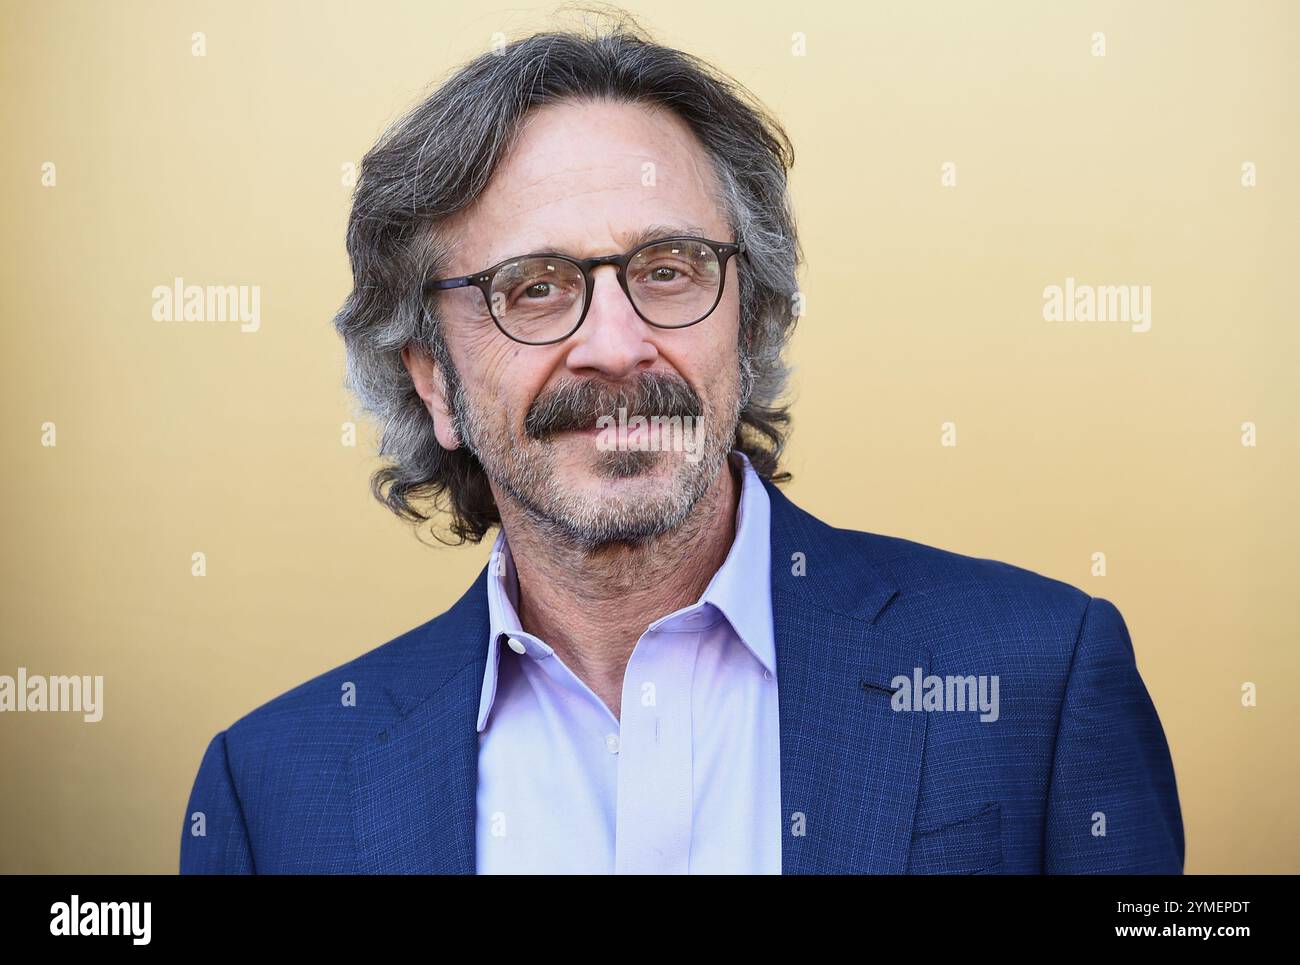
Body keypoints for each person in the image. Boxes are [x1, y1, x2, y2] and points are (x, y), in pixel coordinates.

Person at [181, 21, 1182, 874]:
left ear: (747, 327)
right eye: (532, 285)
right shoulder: (271, 795)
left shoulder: (1038, 680)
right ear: (432, 381)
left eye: (669, 268)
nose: (616, 345)